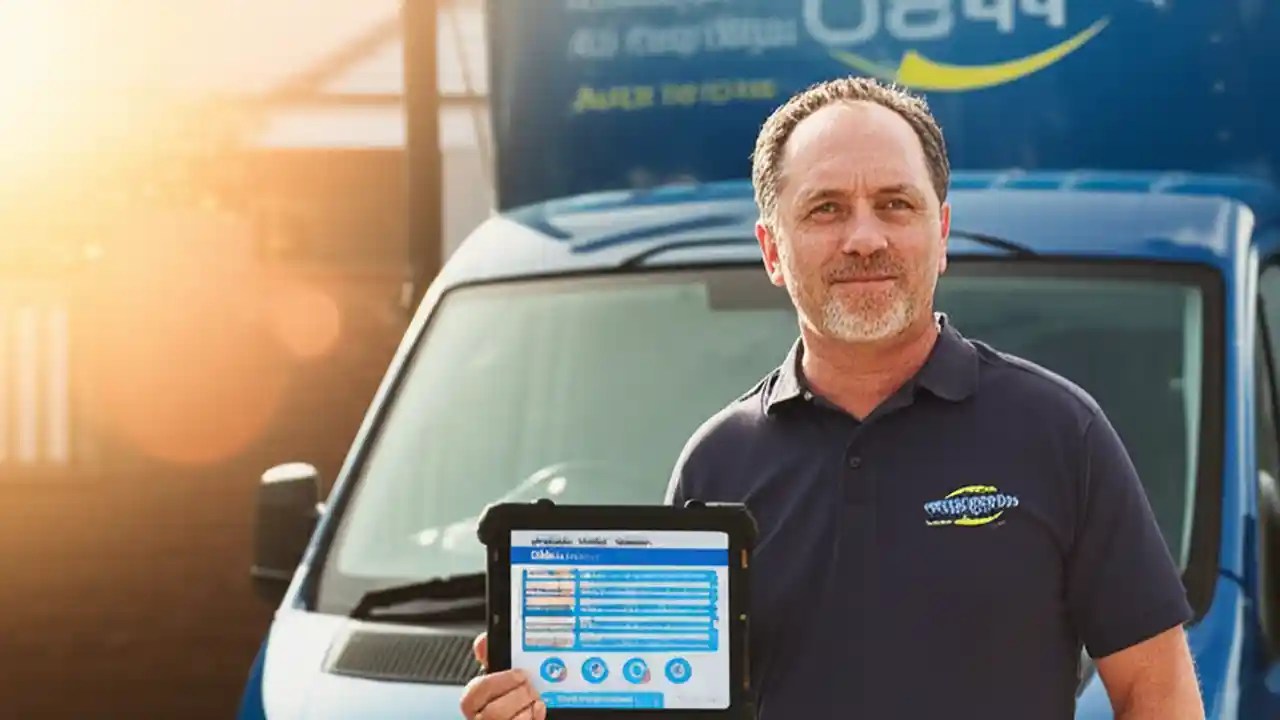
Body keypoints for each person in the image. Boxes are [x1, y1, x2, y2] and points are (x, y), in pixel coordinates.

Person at [459, 76, 1205, 719]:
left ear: (940, 234)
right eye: (824, 210)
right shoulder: (718, 466)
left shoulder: (1058, 433)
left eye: (895, 204)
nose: (864, 238)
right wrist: (550, 702)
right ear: (772, 250)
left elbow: (1158, 693)